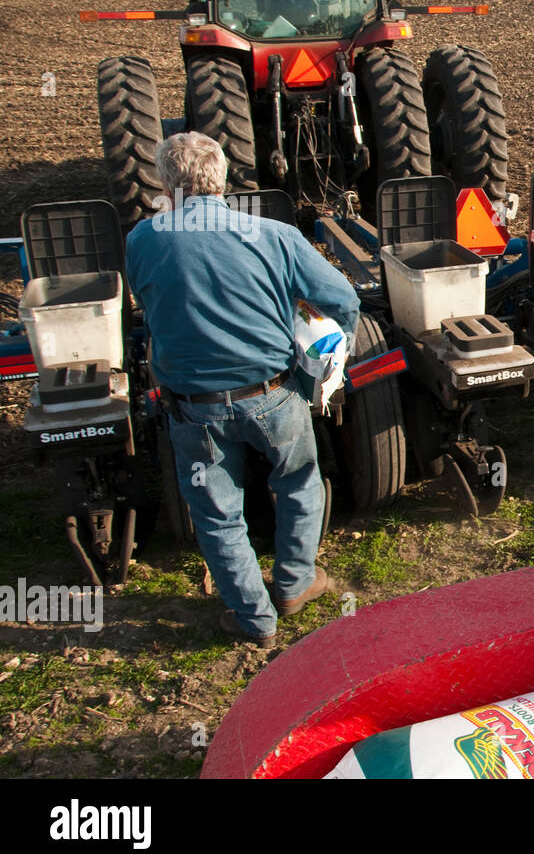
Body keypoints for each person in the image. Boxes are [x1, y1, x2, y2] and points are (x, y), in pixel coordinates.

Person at [126, 132, 359, 647]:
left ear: (166, 182)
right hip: (274, 395)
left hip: (193, 408)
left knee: (217, 512)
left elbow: (145, 304)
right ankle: (296, 583)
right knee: (299, 483)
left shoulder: (144, 239)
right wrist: (326, 367)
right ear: (224, 176)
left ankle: (254, 619)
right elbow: (341, 298)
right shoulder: (274, 234)